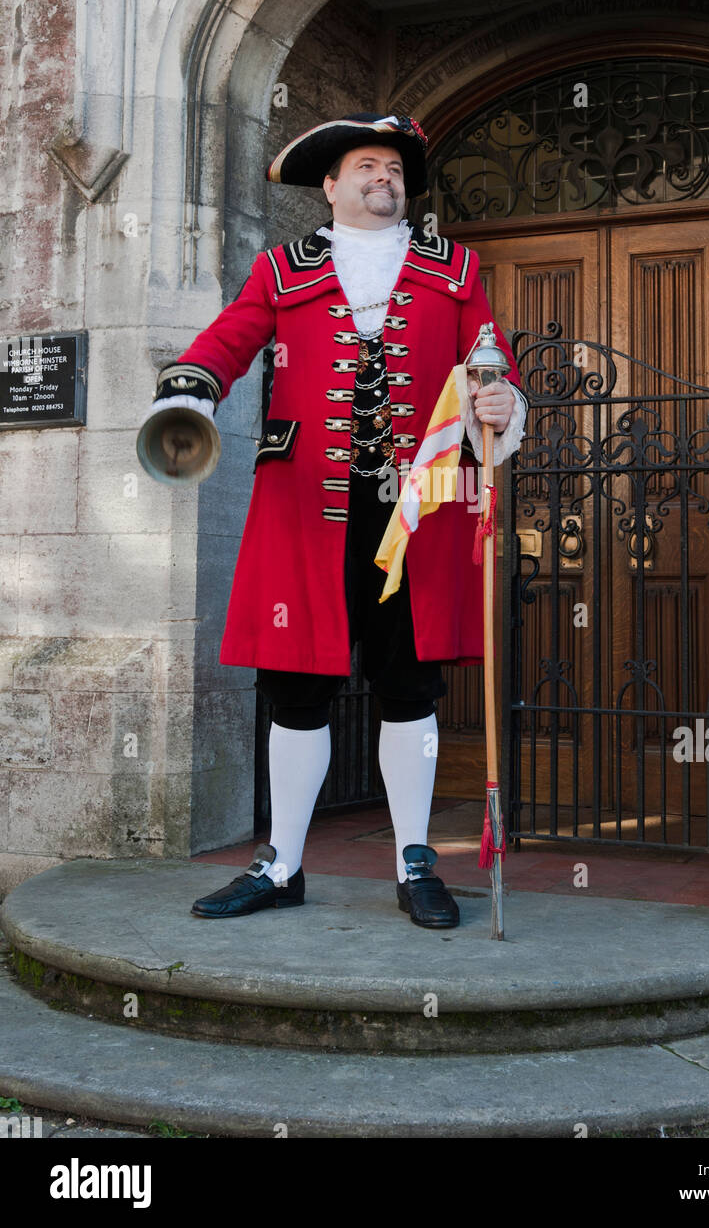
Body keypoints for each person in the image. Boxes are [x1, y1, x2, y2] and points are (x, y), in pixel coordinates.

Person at [143, 112, 526, 929]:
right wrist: (191, 385)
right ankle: (281, 863)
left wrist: (501, 396)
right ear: (331, 184)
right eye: (366, 166)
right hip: (303, 511)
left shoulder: (453, 268)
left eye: (394, 169)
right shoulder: (282, 269)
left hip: (415, 513)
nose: (383, 178)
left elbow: (487, 353)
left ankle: (414, 858)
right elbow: (232, 337)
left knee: (410, 687)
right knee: (296, 690)